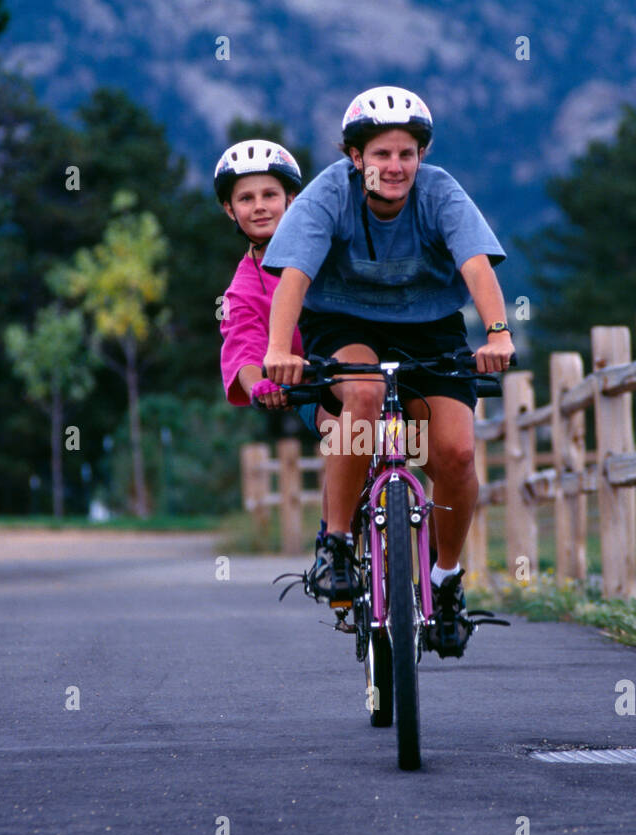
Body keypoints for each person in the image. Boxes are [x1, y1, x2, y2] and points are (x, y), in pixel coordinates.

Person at [262, 86, 515, 657]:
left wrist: (497, 333)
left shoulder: (440, 192)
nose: (394, 166)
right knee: (364, 395)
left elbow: (475, 264)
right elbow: (294, 276)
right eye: (381, 155)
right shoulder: (329, 192)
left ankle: (446, 582)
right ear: (356, 158)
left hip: (431, 330)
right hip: (344, 325)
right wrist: (281, 350)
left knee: (455, 454)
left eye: (406, 153)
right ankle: (333, 544)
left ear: (421, 156)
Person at [213, 138, 337, 558]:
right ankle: (332, 543)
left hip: (364, 363)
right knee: (345, 437)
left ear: (293, 198)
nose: (260, 206)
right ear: (230, 210)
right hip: (309, 384)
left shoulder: (333, 246)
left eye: (270, 194)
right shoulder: (243, 287)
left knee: (415, 440)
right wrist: (260, 387)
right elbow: (243, 350)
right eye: (245, 198)